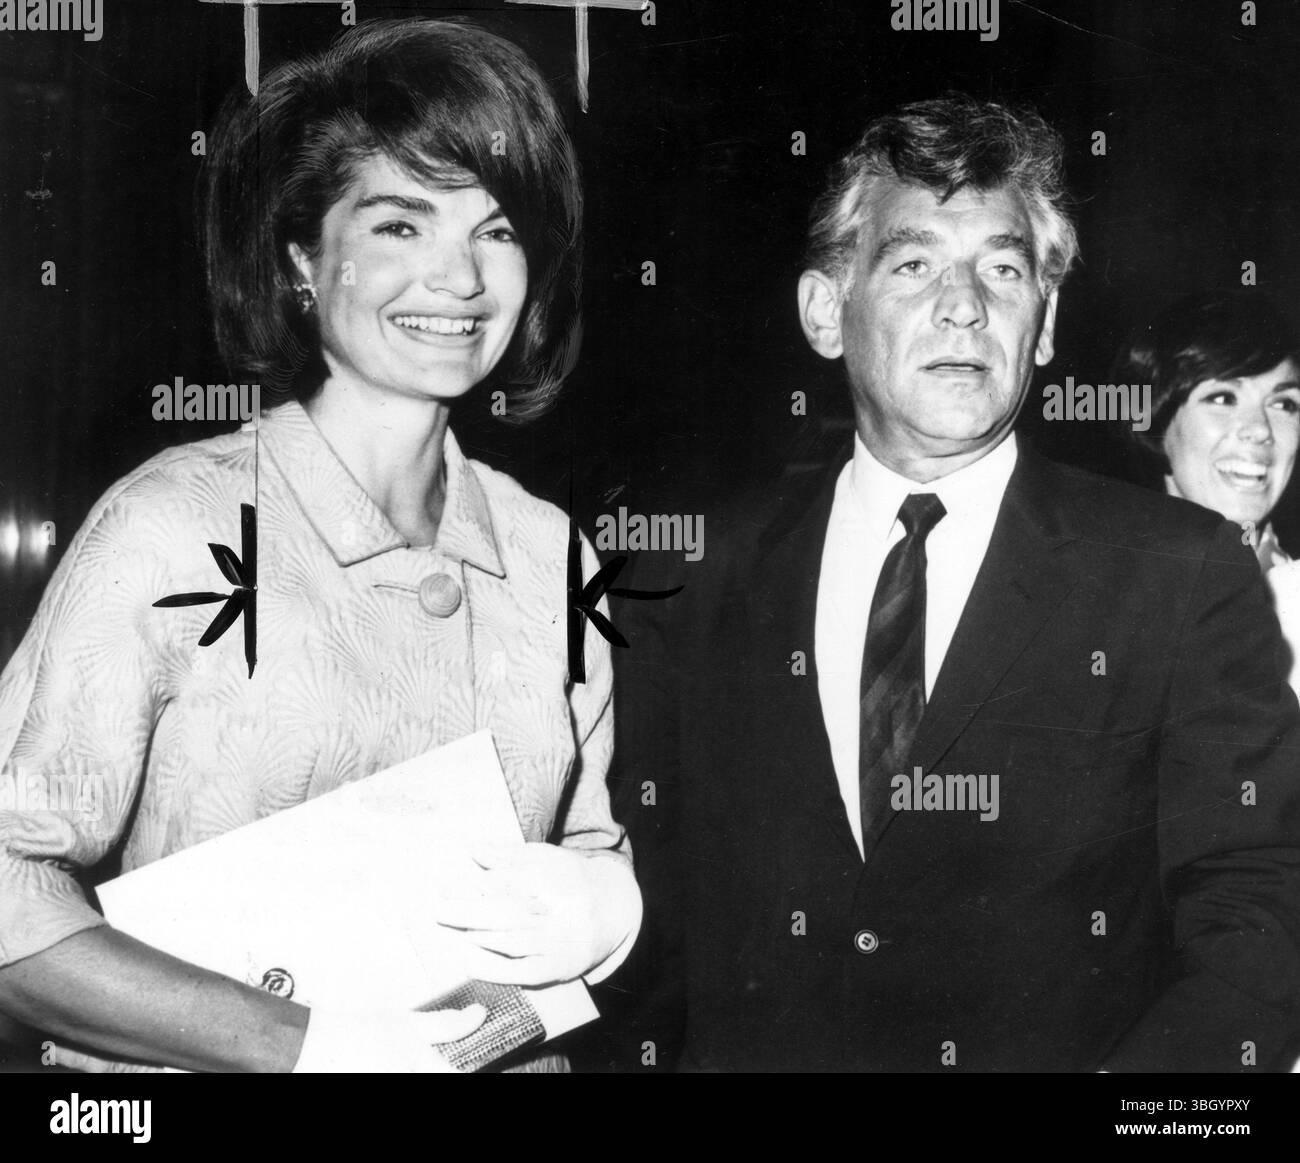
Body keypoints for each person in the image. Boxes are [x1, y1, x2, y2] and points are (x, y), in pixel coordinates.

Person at [607, 95, 1300, 1072]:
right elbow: (644, 917)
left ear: (1045, 324)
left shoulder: (1180, 572)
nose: (964, 304)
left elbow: (1260, 915)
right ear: (824, 311)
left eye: (1003, 269)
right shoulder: (689, 575)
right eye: (914, 263)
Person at [0, 18, 639, 1073]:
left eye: (496, 230)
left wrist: (607, 902)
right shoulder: (174, 525)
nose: (460, 278)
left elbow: (579, 846)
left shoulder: (550, 555)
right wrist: (308, 1046)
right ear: (303, 258)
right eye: (400, 225)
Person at [1114, 291, 1300, 690]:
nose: (1260, 430)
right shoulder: (1091, 601)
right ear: (1156, 421)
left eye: (1284, 404)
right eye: (1223, 397)